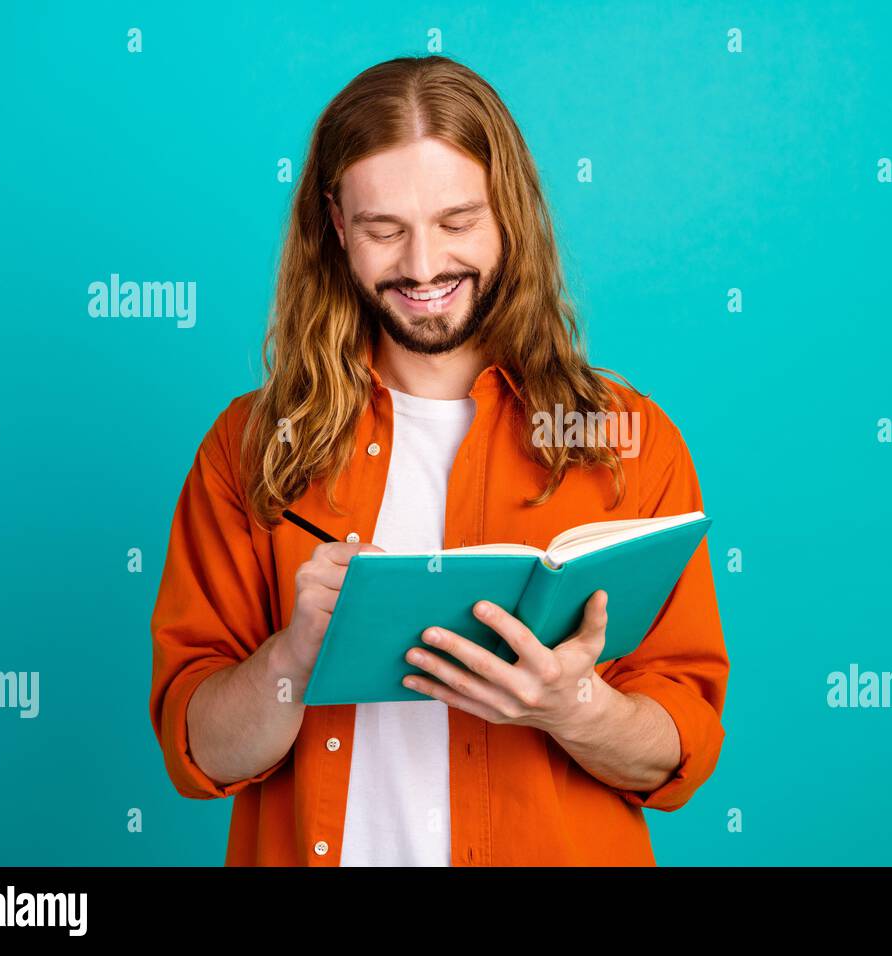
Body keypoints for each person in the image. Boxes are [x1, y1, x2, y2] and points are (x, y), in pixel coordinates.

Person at [149, 55, 728, 866]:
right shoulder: (248, 448)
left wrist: (574, 707)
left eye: (457, 223)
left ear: (509, 217)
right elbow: (198, 751)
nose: (423, 267)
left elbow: (679, 753)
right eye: (385, 230)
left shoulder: (626, 441)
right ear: (337, 226)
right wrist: (290, 658)